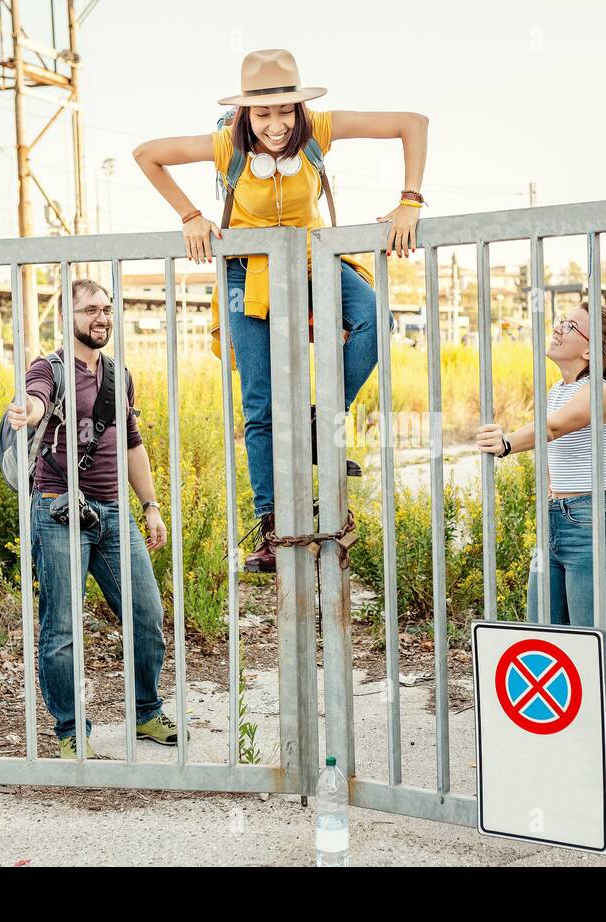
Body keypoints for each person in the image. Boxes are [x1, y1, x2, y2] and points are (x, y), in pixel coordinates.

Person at [133, 48, 429, 573]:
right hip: (246, 270)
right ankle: (271, 527)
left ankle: (319, 422)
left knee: (373, 323)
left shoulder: (319, 128)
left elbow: (413, 122)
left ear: (299, 109)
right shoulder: (226, 143)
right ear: (246, 113)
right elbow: (146, 153)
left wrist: (410, 199)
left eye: (285, 111)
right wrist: (191, 215)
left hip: (312, 260)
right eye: (263, 113)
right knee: (260, 403)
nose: (275, 124)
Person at [475, 302, 606, 815]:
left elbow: (553, 430)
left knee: (596, 658)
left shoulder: (600, 391)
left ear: (590, 348)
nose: (557, 328)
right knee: (546, 651)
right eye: (559, 320)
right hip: (558, 524)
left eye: (570, 325)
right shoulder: (559, 387)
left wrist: (505, 443)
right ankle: (566, 764)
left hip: (594, 529)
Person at [6, 278, 181, 759]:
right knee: (62, 628)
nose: (101, 318)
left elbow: (131, 443)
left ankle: (146, 713)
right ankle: (69, 731)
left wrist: (150, 506)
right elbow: (37, 395)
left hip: (113, 513)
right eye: (90, 311)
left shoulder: (118, 375)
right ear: (69, 318)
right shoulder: (50, 368)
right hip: (60, 510)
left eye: (106, 309)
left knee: (147, 614)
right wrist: (33, 409)